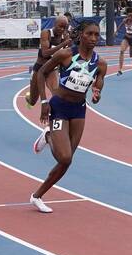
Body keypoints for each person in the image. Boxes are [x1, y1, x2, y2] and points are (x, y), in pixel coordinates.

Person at [30, 20, 106, 212]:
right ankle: (48, 135)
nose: (93, 38)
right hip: (60, 107)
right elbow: (41, 73)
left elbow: (97, 88)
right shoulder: (65, 55)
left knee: (67, 160)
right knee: (64, 158)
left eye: (97, 35)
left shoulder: (101, 64)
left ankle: (37, 196)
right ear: (81, 35)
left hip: (79, 110)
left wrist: (96, 95)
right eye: (90, 34)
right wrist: (44, 102)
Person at [26, 14, 71, 140]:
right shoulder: (46, 33)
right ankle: (29, 97)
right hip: (39, 69)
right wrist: (64, 44)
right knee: (32, 101)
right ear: (54, 24)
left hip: (52, 70)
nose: (62, 29)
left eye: (64, 27)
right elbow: (45, 53)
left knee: (57, 97)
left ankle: (55, 128)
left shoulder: (65, 36)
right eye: (60, 26)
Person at [117, 4, 132, 75]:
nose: (129, 17)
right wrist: (116, 31)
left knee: (131, 55)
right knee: (121, 51)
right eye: (128, 15)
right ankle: (120, 69)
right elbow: (120, 25)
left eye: (131, 16)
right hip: (126, 38)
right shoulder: (125, 20)